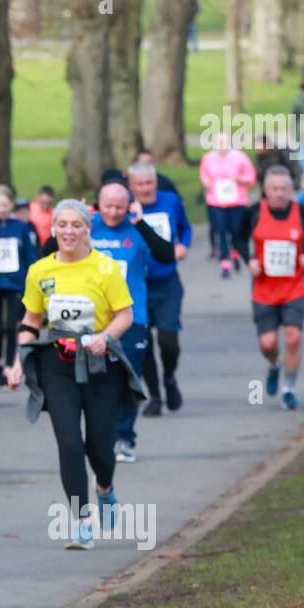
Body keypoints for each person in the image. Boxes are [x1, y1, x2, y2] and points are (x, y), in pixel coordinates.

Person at [4, 200, 140, 550]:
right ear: (52, 229)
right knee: (69, 442)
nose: (68, 231)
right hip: (56, 363)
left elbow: (125, 314)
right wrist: (19, 363)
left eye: (75, 225)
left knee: (101, 447)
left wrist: (105, 337)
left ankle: (105, 489)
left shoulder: (105, 268)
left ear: (87, 230)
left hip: (99, 364)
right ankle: (81, 520)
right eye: (61, 224)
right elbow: (31, 322)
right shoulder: (40, 271)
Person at [89, 182, 172, 463]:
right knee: (96, 382)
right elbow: (50, 252)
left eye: (119, 207)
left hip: (131, 317)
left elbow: (166, 255)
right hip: (91, 318)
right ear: (98, 204)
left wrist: (141, 223)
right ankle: (100, 437)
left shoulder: (138, 227)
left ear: (130, 206)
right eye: (107, 206)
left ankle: (124, 437)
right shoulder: (88, 225)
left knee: (128, 379)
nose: (113, 213)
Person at [235, 165, 304, 411]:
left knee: (293, 338)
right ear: (265, 190)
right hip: (263, 289)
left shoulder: (303, 213)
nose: (280, 193)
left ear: (291, 190)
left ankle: (289, 389)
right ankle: (274, 366)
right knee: (268, 344)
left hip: (294, 287)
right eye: (274, 189)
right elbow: (238, 239)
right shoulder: (254, 212)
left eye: (284, 188)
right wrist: (248, 259)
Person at [128, 162, 191, 418]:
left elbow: (185, 228)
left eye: (149, 183)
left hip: (167, 283)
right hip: (137, 286)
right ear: (131, 187)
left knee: (168, 340)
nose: (145, 189)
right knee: (144, 345)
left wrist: (183, 245)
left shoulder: (170, 201)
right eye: (140, 184)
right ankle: (155, 396)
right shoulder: (127, 209)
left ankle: (170, 376)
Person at [0, 188, 38, 388]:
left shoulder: (20, 226)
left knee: (12, 326)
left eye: (5, 205)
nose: (2, 208)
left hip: (15, 283)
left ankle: (10, 365)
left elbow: (30, 255)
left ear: (10, 206)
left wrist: (30, 281)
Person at [199, 133, 257, 278]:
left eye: (224, 143)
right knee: (221, 232)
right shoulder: (209, 158)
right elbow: (204, 174)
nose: (221, 147)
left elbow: (251, 177)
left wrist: (239, 179)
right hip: (216, 201)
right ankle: (225, 262)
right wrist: (206, 182)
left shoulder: (240, 157)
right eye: (219, 143)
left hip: (237, 201)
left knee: (236, 230)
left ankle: (235, 252)